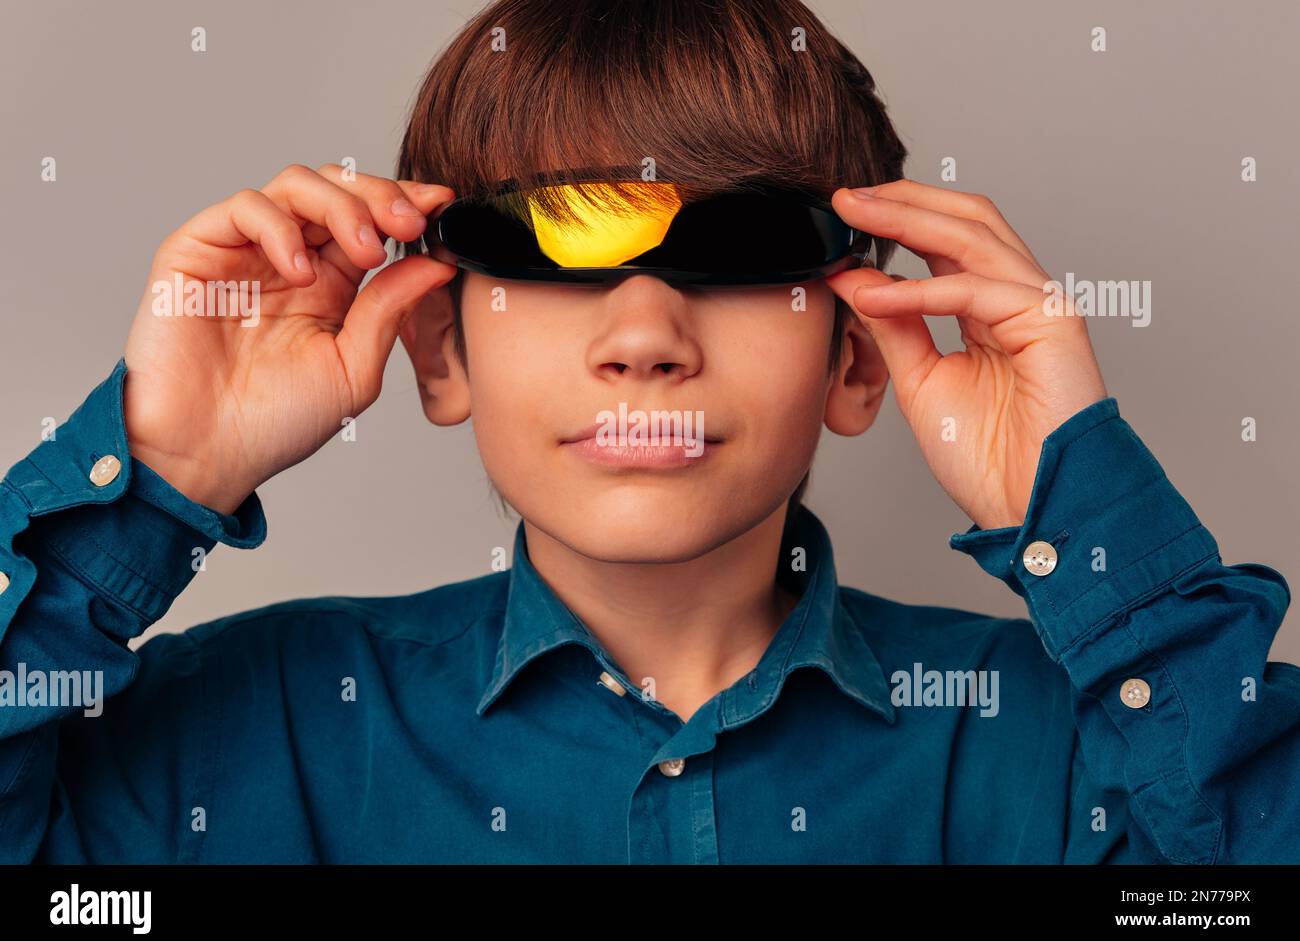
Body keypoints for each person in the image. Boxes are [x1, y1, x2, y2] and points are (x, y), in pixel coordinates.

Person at [0, 0, 1295, 864]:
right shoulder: (248, 734)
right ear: (438, 350)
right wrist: (155, 474)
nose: (645, 333)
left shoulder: (1070, 754)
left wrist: (1082, 503)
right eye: (548, 252)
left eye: (738, 250)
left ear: (857, 355)